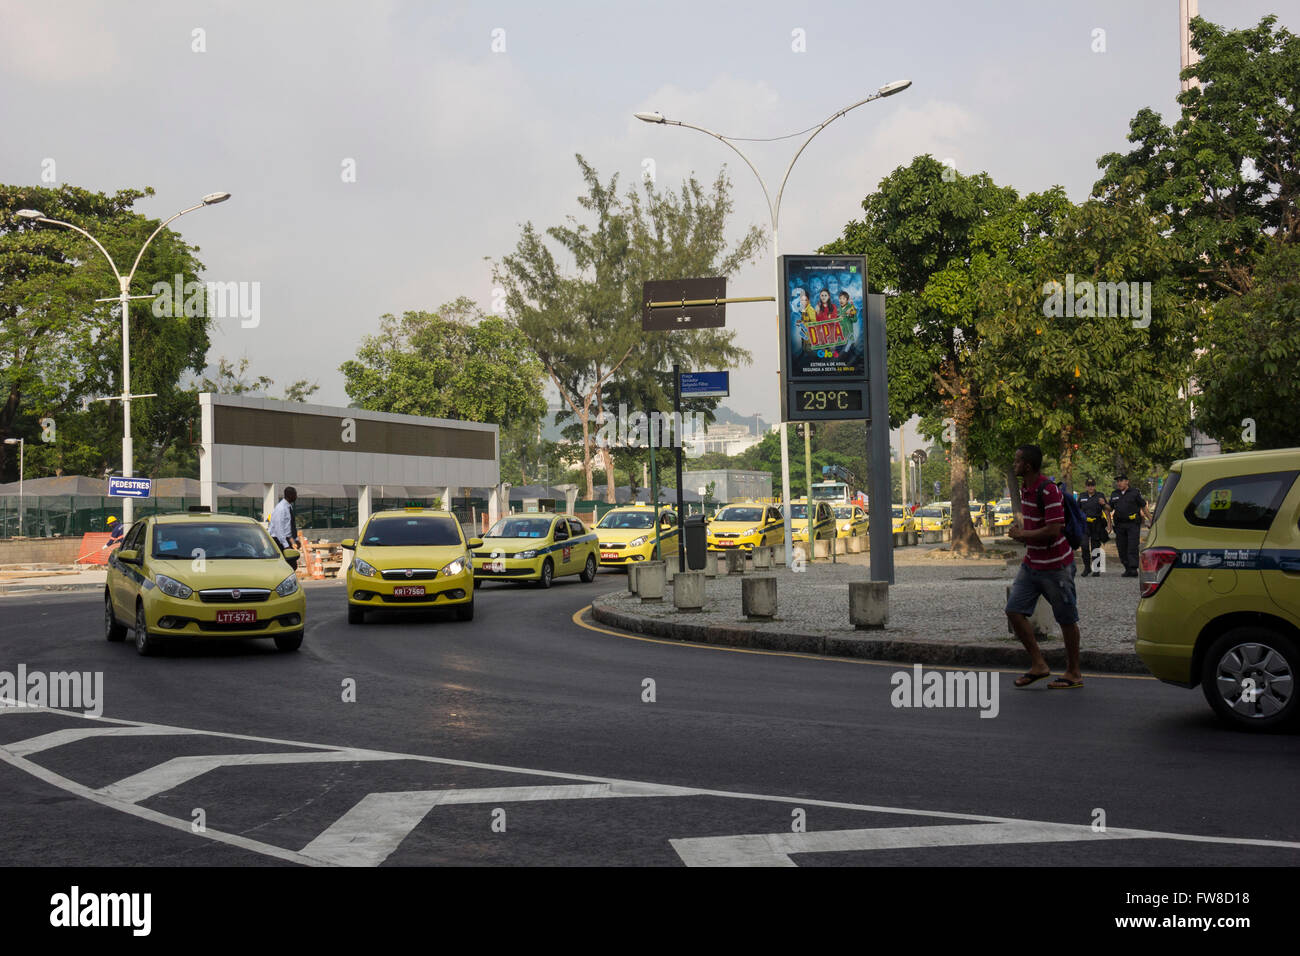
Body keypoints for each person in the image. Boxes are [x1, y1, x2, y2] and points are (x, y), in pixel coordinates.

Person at [1005, 444, 1083, 690]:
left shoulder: (1047, 490)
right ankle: (1039, 664)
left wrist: (1023, 535)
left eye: (1017, 460)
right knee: (1014, 611)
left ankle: (1074, 672)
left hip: (1056, 565)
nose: (1014, 463)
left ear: (1027, 465)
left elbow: (1054, 529)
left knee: (1066, 619)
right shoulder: (1025, 488)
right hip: (1032, 564)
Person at [1107, 473, 1150, 578]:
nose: (1119, 483)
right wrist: (1104, 506)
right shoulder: (1114, 494)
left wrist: (1151, 520)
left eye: (1121, 480)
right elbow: (1109, 509)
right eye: (1118, 481)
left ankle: (1133, 569)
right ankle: (1127, 568)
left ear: (1127, 481)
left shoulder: (1134, 492)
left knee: (1132, 546)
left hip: (1132, 524)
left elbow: (1143, 506)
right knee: (1121, 547)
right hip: (1119, 525)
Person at [1076, 477, 1111, 577]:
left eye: (1092, 485)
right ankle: (1087, 568)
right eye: (1088, 485)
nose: (1090, 487)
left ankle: (1096, 569)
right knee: (1084, 545)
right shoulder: (1082, 496)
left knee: (1095, 547)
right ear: (1086, 486)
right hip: (1085, 524)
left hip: (1097, 524)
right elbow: (1076, 510)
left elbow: (1108, 509)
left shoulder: (1100, 495)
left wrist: (1104, 504)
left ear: (1095, 486)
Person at [269, 486, 300, 570]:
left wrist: (295, 540)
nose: (296, 497)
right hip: (279, 541)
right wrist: (285, 545)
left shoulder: (288, 506)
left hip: (286, 539)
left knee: (292, 565)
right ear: (289, 495)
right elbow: (279, 529)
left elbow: (289, 528)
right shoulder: (281, 508)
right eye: (295, 495)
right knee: (288, 566)